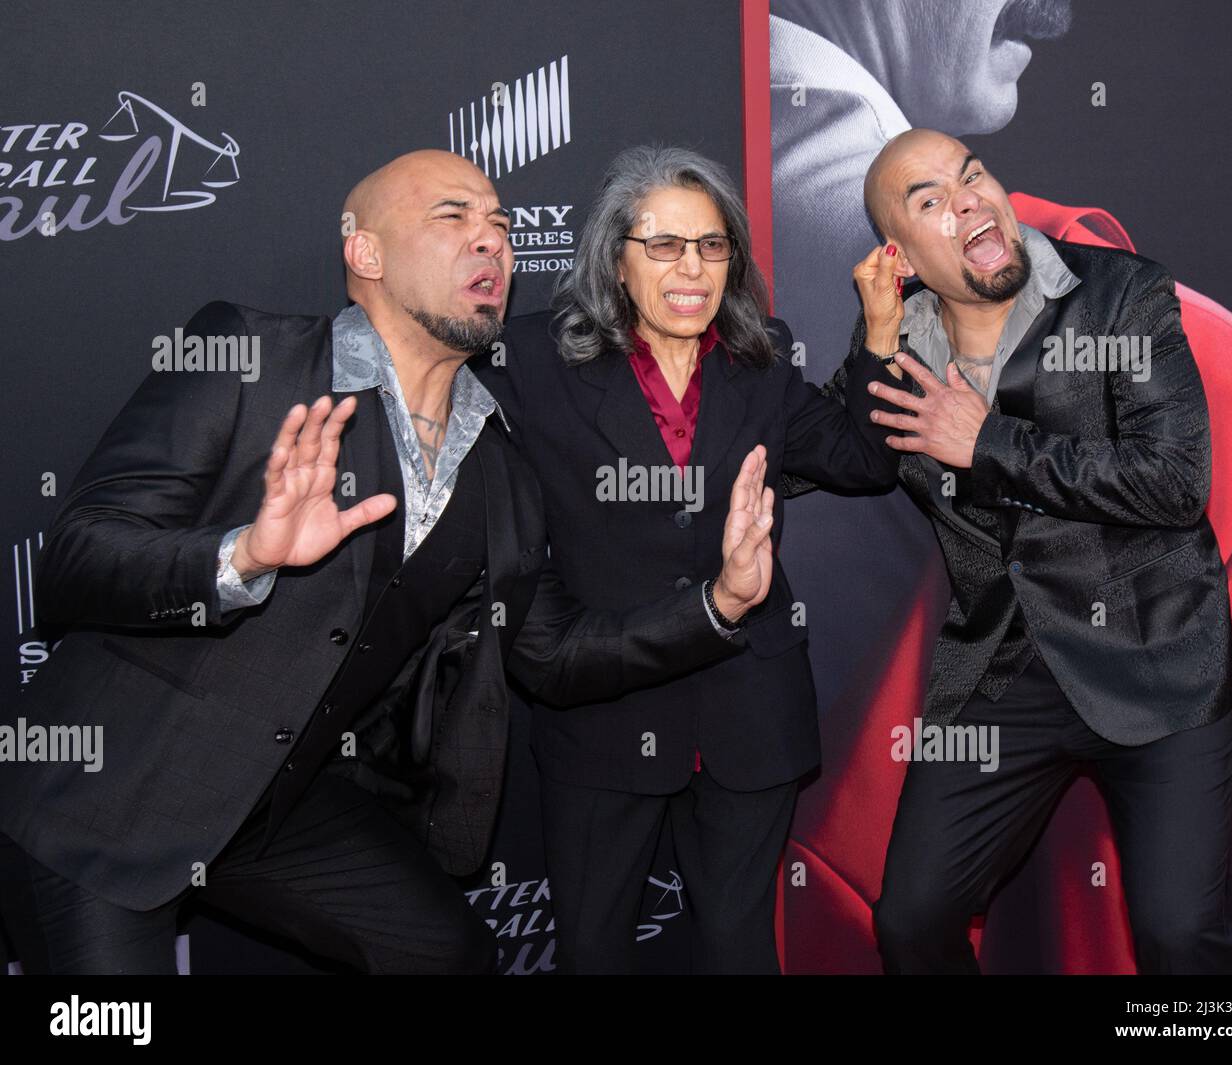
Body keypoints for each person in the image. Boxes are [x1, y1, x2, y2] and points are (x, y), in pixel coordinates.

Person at [0, 149, 780, 975]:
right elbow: (77, 557)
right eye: (453, 218)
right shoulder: (248, 360)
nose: (492, 243)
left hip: (281, 804)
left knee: (450, 956)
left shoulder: (500, 471)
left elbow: (550, 653)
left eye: (501, 226)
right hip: (106, 801)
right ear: (364, 254)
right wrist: (242, 555)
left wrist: (720, 603)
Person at [809, 127, 1232, 974]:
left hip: (1157, 658)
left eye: (971, 176)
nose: (967, 198)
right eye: (930, 200)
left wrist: (991, 443)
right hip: (1001, 672)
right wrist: (871, 338)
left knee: (1178, 938)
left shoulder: (1121, 296)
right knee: (909, 921)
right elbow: (824, 451)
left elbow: (1175, 482)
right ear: (898, 256)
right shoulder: (900, 353)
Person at [473, 144, 900, 974]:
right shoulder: (529, 361)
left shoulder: (759, 357)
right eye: (663, 245)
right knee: (595, 950)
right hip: (604, 707)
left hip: (749, 708)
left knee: (739, 946)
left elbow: (863, 459)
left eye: (712, 245)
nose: (692, 268)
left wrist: (880, 331)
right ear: (614, 258)